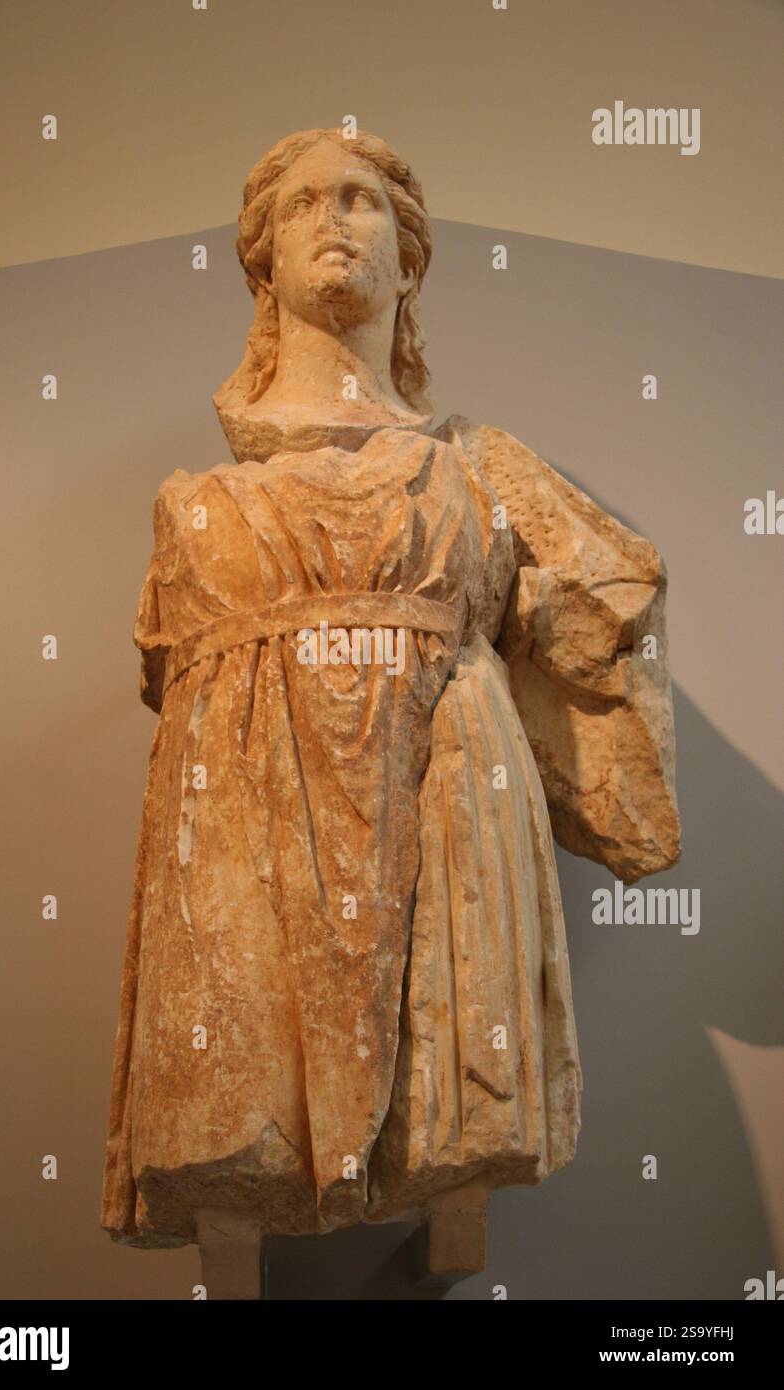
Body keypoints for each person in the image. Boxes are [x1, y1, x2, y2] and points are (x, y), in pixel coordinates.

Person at [101, 128, 680, 1256]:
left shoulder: (471, 465)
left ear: (409, 258)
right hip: (245, 819)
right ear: (259, 259)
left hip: (445, 793)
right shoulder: (203, 498)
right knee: (236, 1108)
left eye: (362, 200)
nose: (335, 220)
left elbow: (605, 616)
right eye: (306, 202)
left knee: (448, 1089)